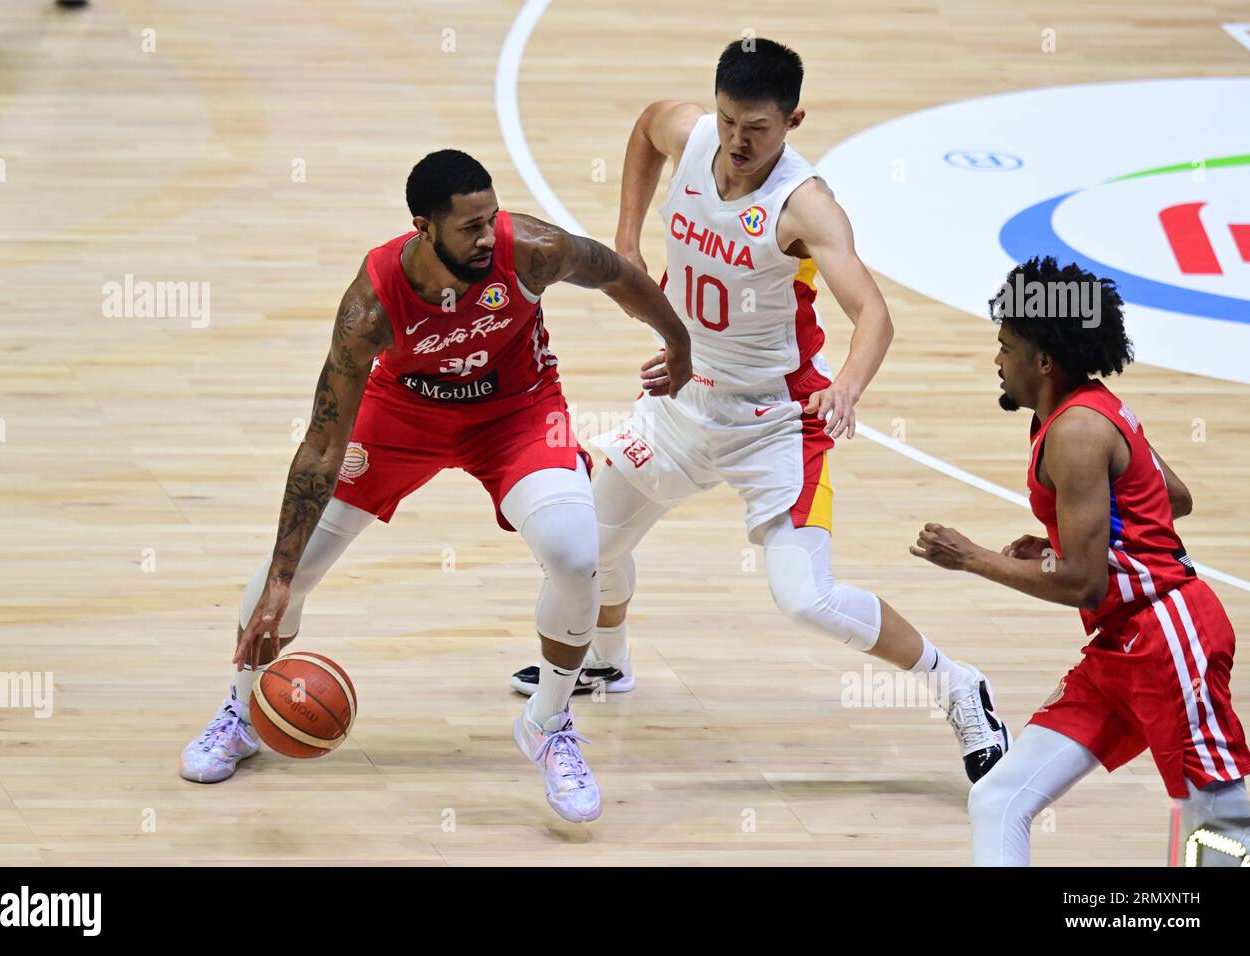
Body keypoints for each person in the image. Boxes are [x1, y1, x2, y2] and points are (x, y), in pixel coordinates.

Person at [509, 38, 1008, 781]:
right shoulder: (692, 132)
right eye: (730, 121)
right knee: (586, 551)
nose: (739, 142)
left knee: (805, 600)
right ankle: (607, 664)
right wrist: (624, 236)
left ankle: (958, 685)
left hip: (776, 423)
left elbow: (874, 312)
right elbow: (648, 125)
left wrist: (849, 386)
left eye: (759, 129)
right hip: (682, 399)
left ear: (794, 120)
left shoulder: (805, 205)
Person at [179, 150, 692, 825]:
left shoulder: (530, 249)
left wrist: (678, 343)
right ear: (423, 226)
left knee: (576, 554)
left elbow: (616, 273)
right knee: (290, 573)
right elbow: (321, 443)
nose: (488, 237)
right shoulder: (371, 303)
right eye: (470, 228)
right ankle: (244, 710)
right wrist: (279, 578)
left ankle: (547, 724)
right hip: (402, 417)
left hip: (515, 412)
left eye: (492, 219)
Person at [911, 255, 1250, 865]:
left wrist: (973, 558)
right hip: (1124, 646)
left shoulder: (1077, 431)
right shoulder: (1087, 409)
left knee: (1216, 821)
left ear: (1044, 361)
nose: (997, 360)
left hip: (1169, 640)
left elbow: (1082, 583)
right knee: (999, 797)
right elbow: (1171, 496)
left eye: (1005, 345)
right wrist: (1077, 534)